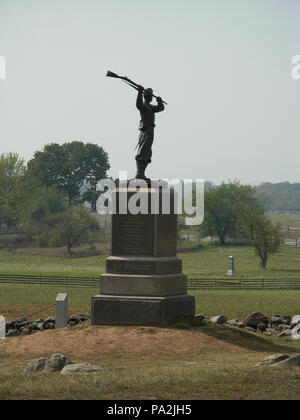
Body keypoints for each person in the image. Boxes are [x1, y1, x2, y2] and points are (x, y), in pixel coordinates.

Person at [135, 85, 165, 181]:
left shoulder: (151, 107)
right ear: (146, 96)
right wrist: (139, 92)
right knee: (143, 151)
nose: (151, 97)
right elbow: (138, 105)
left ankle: (142, 173)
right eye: (150, 95)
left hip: (150, 131)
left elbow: (161, 108)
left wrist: (159, 101)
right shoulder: (144, 106)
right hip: (145, 131)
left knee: (148, 153)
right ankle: (139, 173)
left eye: (152, 95)